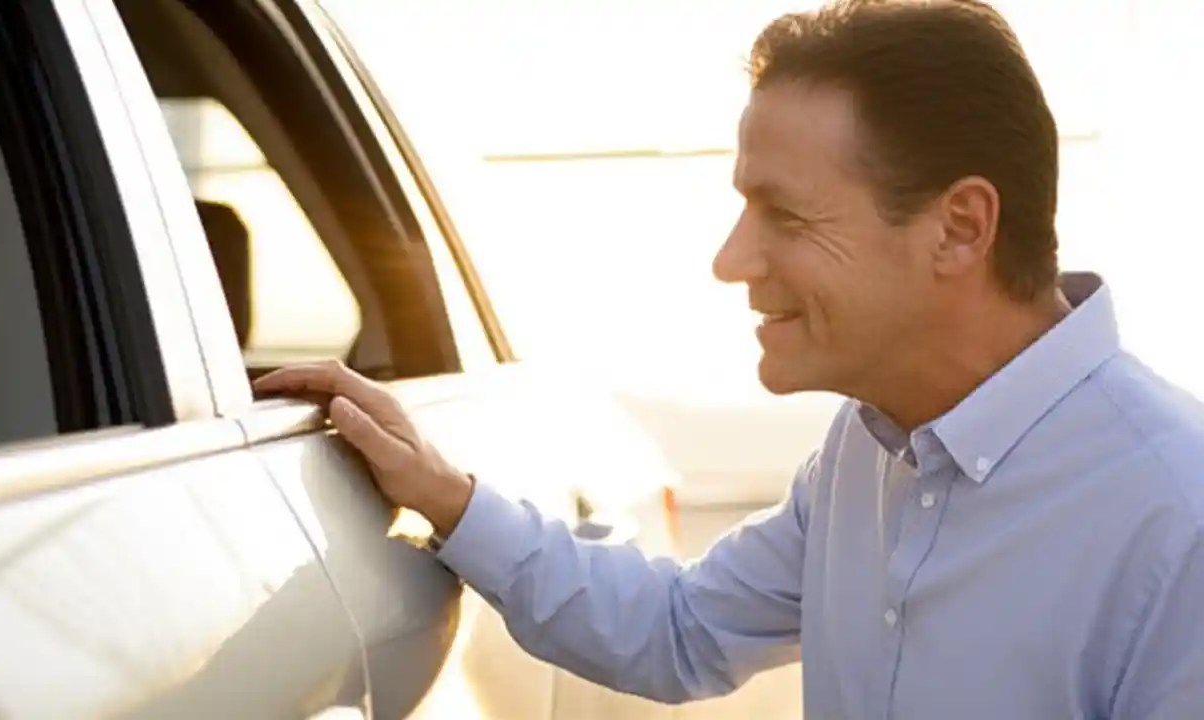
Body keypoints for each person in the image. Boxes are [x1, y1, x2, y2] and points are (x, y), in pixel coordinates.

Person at [254, 1, 1204, 717]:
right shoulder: (864, 454)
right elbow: (680, 629)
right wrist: (448, 498)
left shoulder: (1177, 517)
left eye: (784, 216)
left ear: (959, 227)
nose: (730, 261)